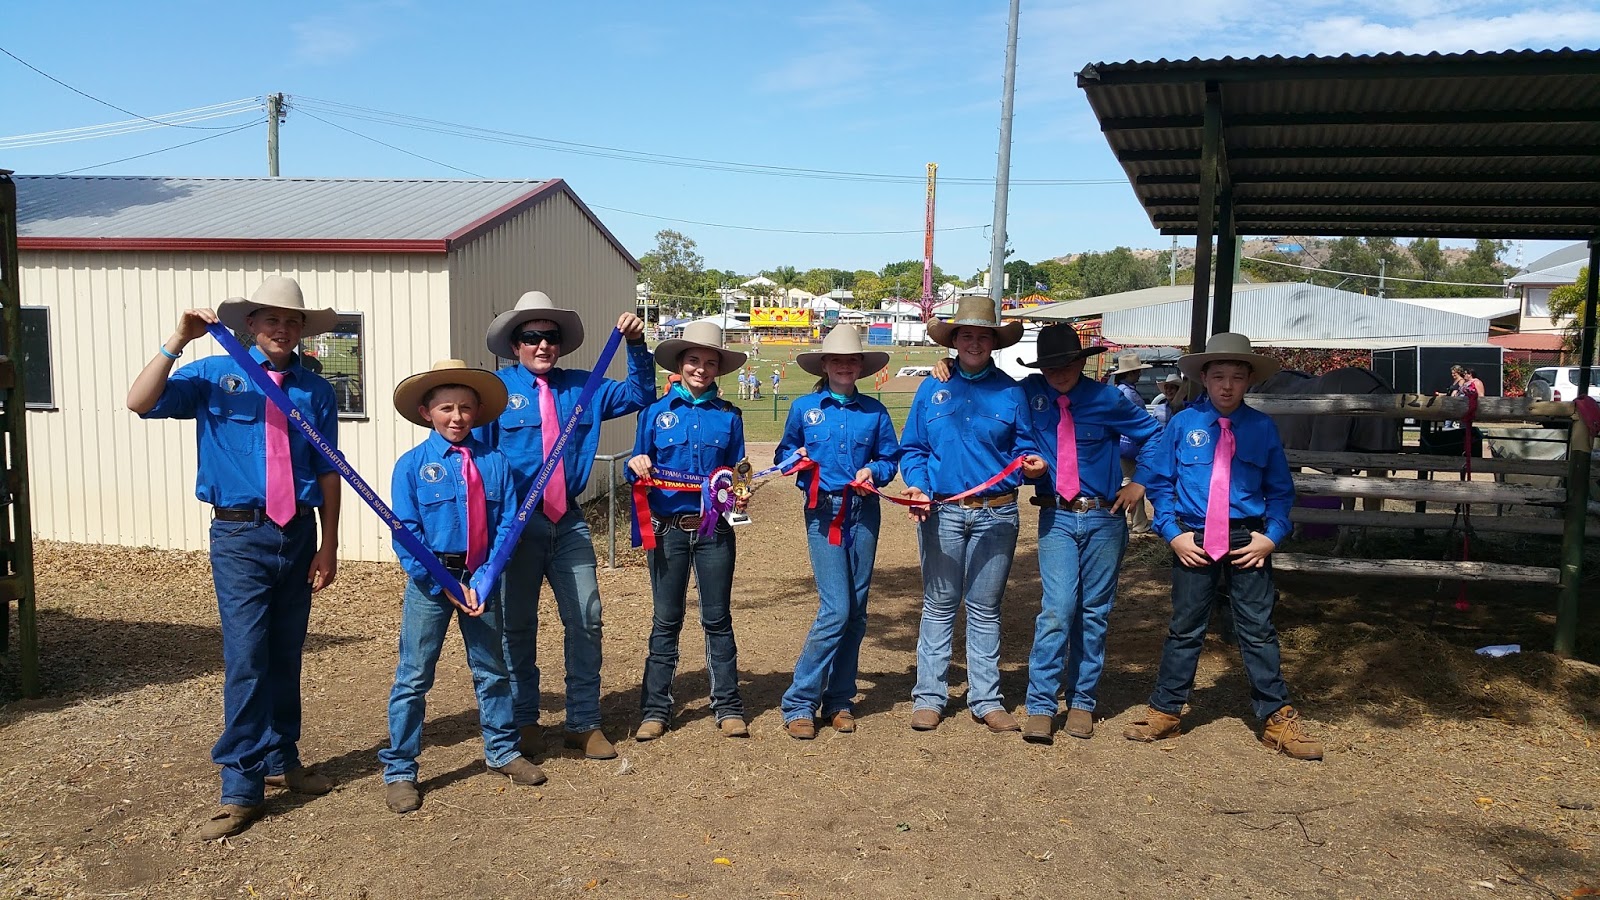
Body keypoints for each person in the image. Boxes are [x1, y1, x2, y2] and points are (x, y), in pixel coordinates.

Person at [126, 276, 342, 840]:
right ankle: (240, 787)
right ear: (250, 325)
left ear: (302, 330)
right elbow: (139, 401)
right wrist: (178, 340)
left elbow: (327, 470)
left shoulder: (314, 391)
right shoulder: (213, 374)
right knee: (247, 656)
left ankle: (281, 758)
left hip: (298, 532)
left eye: (292, 321)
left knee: (285, 653)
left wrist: (329, 543)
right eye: (271, 319)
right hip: (240, 535)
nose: (282, 329)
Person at [1123, 332, 1323, 761]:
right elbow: (1161, 482)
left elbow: (1281, 491)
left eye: (1237, 377)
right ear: (1204, 379)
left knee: (1258, 628)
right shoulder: (1183, 425)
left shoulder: (1262, 428)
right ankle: (1166, 709)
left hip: (1247, 539)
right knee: (1185, 626)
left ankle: (1276, 716)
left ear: (1249, 380)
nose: (1227, 386)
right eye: (1218, 377)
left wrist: (1270, 537)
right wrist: (1172, 532)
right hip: (1193, 538)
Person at [478, 291, 651, 763]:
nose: (542, 345)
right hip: (516, 526)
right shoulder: (494, 391)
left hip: (568, 522)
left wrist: (637, 345)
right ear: (515, 345)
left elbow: (639, 394)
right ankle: (525, 721)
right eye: (531, 337)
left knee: (587, 618)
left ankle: (583, 722)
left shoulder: (583, 386)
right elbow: (480, 460)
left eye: (550, 337)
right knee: (518, 627)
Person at [381, 360, 545, 814]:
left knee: (492, 669)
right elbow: (406, 532)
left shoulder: (495, 463)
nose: (457, 417)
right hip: (432, 585)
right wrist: (441, 581)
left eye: (466, 408)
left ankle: (502, 750)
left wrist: (487, 575)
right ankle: (400, 769)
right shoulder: (411, 467)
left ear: (478, 412)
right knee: (414, 677)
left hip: (481, 582)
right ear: (426, 412)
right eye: (446, 408)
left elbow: (509, 523)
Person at [900, 297, 1047, 735]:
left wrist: (1034, 464)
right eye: (966, 335)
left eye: (983, 336)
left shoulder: (1011, 391)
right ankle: (929, 696)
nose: (975, 343)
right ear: (954, 341)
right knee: (939, 605)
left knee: (985, 609)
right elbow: (914, 448)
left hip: (997, 514)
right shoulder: (931, 387)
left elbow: (1025, 444)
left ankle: (986, 699)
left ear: (994, 342)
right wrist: (918, 486)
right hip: (943, 512)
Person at [1012, 327, 1163, 745]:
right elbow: (985, 385)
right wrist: (949, 365)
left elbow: (1154, 434)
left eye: (1067, 364)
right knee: (1057, 609)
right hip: (1057, 516)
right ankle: (1041, 705)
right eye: (1050, 367)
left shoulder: (1107, 398)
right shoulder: (1029, 394)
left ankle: (1082, 701)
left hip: (1104, 517)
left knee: (1094, 612)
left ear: (1082, 362)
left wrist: (1140, 482)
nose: (1059, 373)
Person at [627, 321, 752, 740]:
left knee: (717, 618)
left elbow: (737, 471)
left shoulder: (730, 417)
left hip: (714, 531)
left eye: (710, 363)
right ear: (679, 365)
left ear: (718, 369)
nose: (701, 368)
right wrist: (636, 465)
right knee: (666, 620)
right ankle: (655, 710)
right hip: (668, 531)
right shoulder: (653, 414)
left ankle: (728, 705)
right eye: (694, 360)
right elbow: (637, 465)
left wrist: (740, 494)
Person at [775, 326, 901, 739]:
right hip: (823, 512)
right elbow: (784, 453)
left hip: (863, 513)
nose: (845, 366)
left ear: (860, 366)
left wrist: (874, 471)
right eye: (837, 360)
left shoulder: (875, 412)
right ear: (825, 365)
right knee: (836, 609)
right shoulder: (804, 408)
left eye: (852, 360)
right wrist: (795, 459)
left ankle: (840, 699)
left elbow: (890, 459)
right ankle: (800, 701)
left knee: (857, 611)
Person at [1109, 351, 1156, 535]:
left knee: (1127, 480)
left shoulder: (1118, 391)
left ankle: (1136, 521)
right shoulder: (1129, 394)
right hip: (1130, 445)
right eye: (1137, 371)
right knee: (1132, 481)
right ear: (1130, 373)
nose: (1139, 374)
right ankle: (1138, 522)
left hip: (1122, 444)